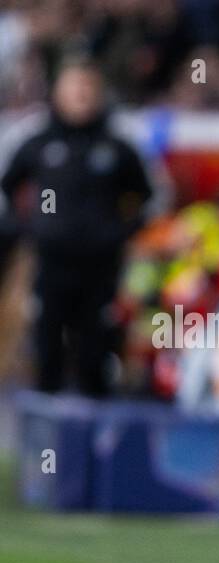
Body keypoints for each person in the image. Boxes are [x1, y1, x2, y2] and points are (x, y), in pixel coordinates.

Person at [1, 58, 155, 395]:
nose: (81, 95)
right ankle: (44, 440)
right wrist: (30, 227)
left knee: (96, 352)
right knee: (47, 348)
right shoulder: (39, 144)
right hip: (51, 266)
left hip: (100, 269)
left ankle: (93, 431)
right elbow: (9, 186)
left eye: (88, 87)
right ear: (57, 92)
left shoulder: (116, 148)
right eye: (74, 86)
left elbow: (145, 197)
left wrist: (119, 233)